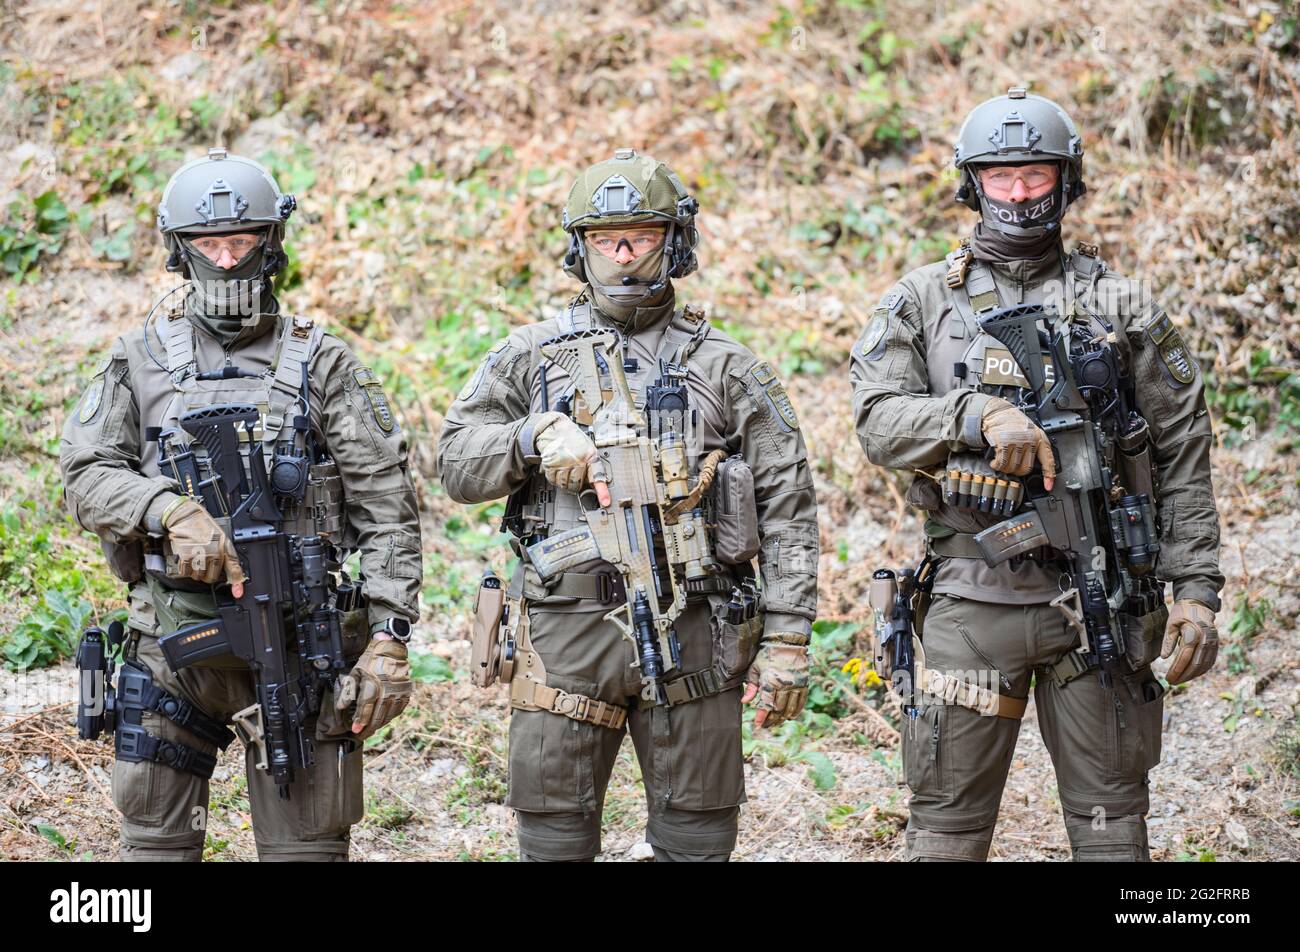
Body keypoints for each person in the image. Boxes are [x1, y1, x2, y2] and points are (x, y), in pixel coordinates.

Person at [849, 89, 1222, 861]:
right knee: (945, 832)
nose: (1018, 193)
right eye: (1001, 176)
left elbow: (1183, 446)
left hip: (1103, 597)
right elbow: (877, 422)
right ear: (973, 181)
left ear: (1065, 179)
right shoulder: (921, 300)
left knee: (1112, 826)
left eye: (1035, 175)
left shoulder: (1120, 304)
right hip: (970, 599)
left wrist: (1196, 588)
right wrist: (974, 416)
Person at [438, 149, 819, 862]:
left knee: (697, 834)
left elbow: (789, 509)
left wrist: (789, 639)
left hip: (698, 629)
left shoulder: (728, 367)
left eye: (640, 237)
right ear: (578, 247)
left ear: (674, 243)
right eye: (604, 239)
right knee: (553, 836)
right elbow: (455, 463)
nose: (622, 255)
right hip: (564, 635)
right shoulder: (529, 355)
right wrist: (531, 435)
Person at [59, 147, 421, 861]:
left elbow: (386, 505)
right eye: (208, 244)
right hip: (173, 649)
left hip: (300, 650)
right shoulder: (138, 358)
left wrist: (389, 637)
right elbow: (84, 473)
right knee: (154, 848)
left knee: (307, 850)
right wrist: (166, 509)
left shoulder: (322, 361)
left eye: (242, 240)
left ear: (271, 242)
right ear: (179, 250)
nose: (226, 260)